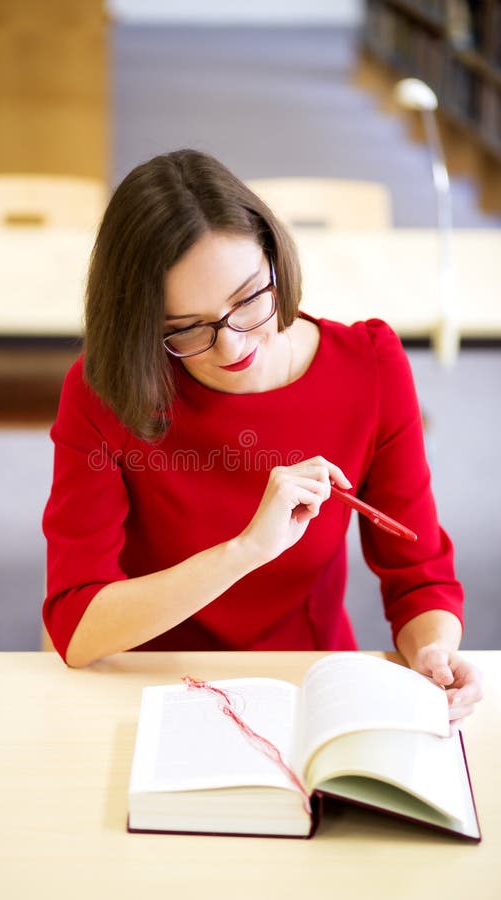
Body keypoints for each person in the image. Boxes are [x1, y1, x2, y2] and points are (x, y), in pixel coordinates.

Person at [43, 148, 482, 727]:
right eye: (187, 329)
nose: (232, 347)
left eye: (249, 299)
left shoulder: (368, 366)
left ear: (276, 258)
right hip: (150, 691)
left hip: (309, 685)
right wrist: (245, 551)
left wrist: (433, 650)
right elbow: (77, 626)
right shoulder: (107, 390)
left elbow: (420, 576)